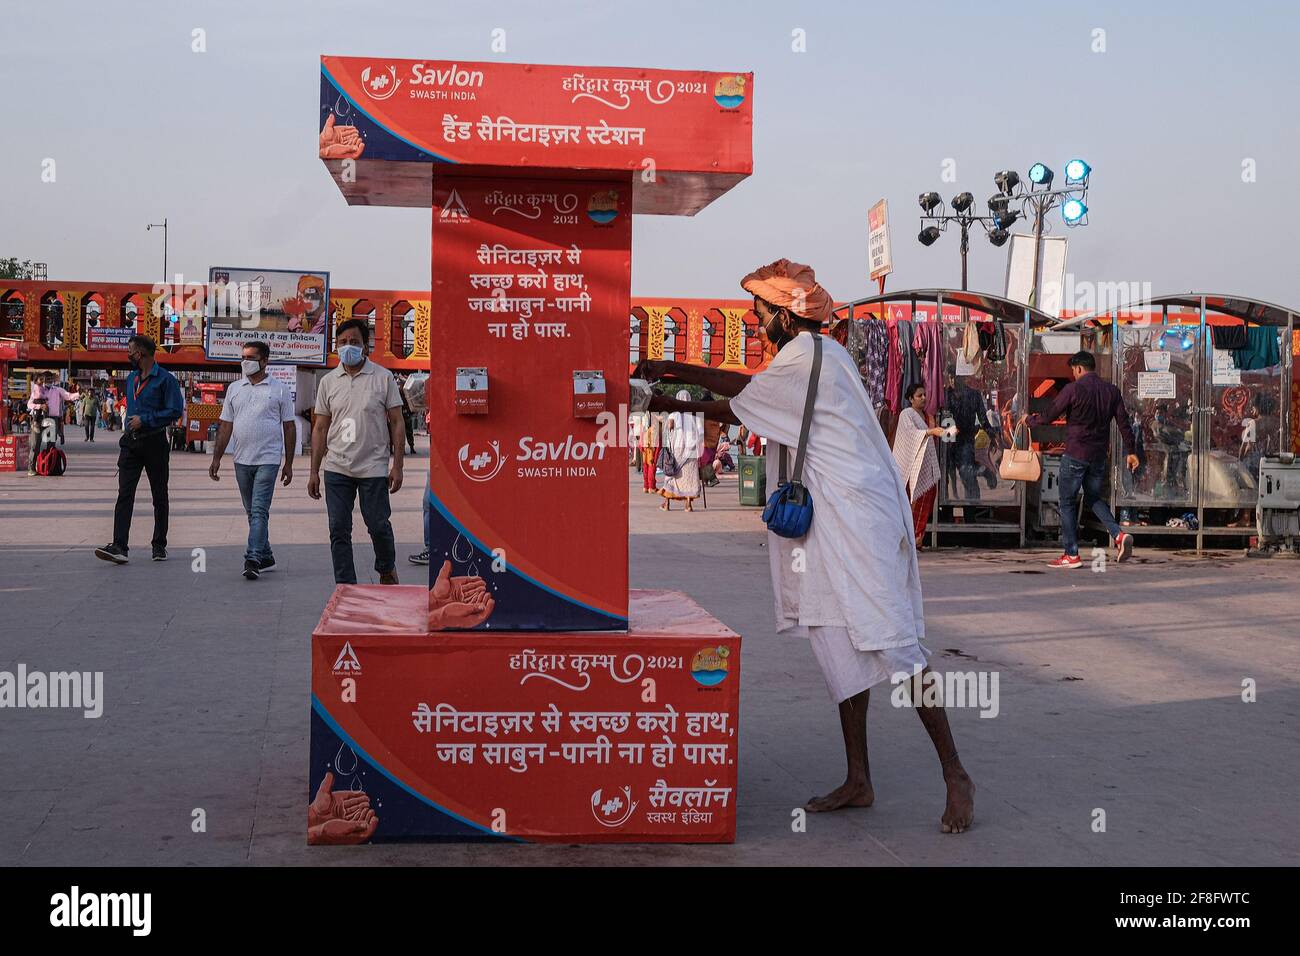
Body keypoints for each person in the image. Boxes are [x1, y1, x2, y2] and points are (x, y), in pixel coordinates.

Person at [636, 258, 974, 833]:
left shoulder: (806, 360)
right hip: (837, 520)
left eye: (759, 312)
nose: (753, 321)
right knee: (838, 645)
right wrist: (671, 368)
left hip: (860, 521)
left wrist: (666, 400)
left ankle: (955, 774)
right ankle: (859, 778)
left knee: (893, 642)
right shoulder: (817, 354)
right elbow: (753, 389)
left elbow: (741, 400)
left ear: (783, 316)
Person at [1021, 350, 1139, 569]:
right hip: (1098, 456)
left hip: (1075, 453)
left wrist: (1029, 420)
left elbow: (1050, 414)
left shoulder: (1073, 389)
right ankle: (1119, 535)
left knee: (1066, 502)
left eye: (1073, 371)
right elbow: (1124, 423)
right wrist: (1130, 451)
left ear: (1078, 368)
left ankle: (1071, 554)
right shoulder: (1111, 391)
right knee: (1093, 498)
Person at [308, 318, 405, 585]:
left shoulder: (383, 378)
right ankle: (345, 585)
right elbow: (320, 428)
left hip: (373, 467)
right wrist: (314, 471)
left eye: (354, 342)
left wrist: (398, 465)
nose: (348, 347)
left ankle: (386, 568)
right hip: (337, 468)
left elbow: (397, 422)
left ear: (365, 346)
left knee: (378, 526)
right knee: (338, 529)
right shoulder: (329, 382)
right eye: (342, 343)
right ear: (335, 346)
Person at [209, 341, 297, 580]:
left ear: (265, 361)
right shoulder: (235, 389)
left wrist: (288, 463)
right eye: (243, 357)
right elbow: (226, 425)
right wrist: (217, 457)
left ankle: (252, 558)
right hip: (241, 460)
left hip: (268, 459)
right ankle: (266, 554)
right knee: (252, 512)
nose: (245, 361)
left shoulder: (279, 389)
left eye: (250, 357)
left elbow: (289, 427)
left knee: (259, 510)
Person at [94, 335, 184, 564]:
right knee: (125, 494)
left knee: (159, 495)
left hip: (154, 442)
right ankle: (119, 546)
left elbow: (175, 411)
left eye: (131, 351)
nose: (128, 355)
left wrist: (146, 419)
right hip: (131, 444)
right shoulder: (132, 377)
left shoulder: (166, 380)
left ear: (142, 353)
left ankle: (159, 545)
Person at [892, 382, 946, 550]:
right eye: (919, 396)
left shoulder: (927, 416)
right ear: (910, 399)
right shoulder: (906, 414)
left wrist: (946, 432)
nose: (923, 398)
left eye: (924, 395)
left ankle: (918, 538)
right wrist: (931, 432)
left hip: (926, 467)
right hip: (911, 469)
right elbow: (910, 435)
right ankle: (909, 538)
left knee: (927, 499)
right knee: (912, 502)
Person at [941, 366, 998, 499]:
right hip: (947, 440)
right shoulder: (944, 395)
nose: (953, 380)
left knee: (966, 473)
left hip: (965, 439)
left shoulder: (974, 395)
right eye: (951, 377)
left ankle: (971, 509)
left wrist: (992, 435)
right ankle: (946, 511)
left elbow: (983, 419)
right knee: (945, 476)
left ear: (963, 378)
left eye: (956, 377)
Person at [658, 389, 703, 512]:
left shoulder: (673, 414)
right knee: (690, 477)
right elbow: (701, 433)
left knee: (672, 474)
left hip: (676, 448)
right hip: (691, 450)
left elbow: (669, 428)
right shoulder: (695, 414)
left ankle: (666, 503)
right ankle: (688, 505)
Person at [39, 372, 78, 448]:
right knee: (36, 444)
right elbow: (29, 404)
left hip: (53, 418)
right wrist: (39, 406)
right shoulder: (38, 390)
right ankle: (35, 459)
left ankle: (50, 458)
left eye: (50, 379)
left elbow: (68, 396)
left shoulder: (58, 390)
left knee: (51, 442)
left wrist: (79, 393)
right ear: (42, 380)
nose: (49, 381)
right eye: (47, 379)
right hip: (40, 418)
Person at [639, 411, 661, 493]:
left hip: (644, 442)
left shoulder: (644, 414)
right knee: (652, 463)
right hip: (652, 442)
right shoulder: (654, 414)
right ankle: (651, 486)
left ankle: (646, 486)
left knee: (645, 465)